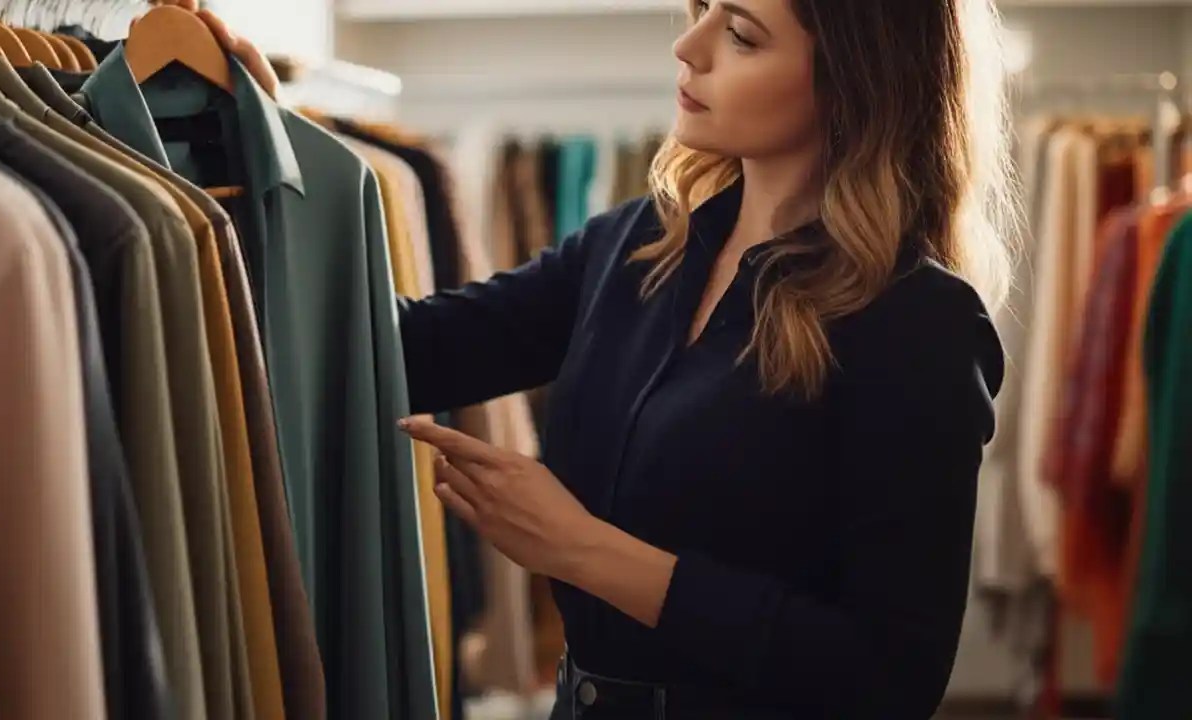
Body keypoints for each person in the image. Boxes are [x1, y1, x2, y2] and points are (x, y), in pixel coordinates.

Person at [179, 0, 1017, 716]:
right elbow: (400, 351)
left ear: (853, 80)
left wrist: (582, 549)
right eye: (700, 13)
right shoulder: (637, 247)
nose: (688, 49)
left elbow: (889, 675)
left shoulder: (917, 322)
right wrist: (251, 152)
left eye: (743, 34)